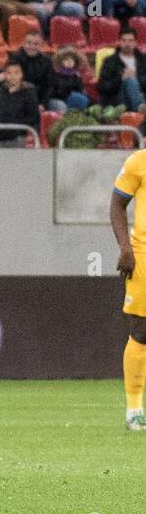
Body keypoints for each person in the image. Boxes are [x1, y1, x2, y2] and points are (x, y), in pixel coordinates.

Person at [109, 145, 146, 429]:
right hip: (143, 255)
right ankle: (134, 410)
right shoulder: (138, 161)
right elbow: (117, 205)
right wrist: (125, 248)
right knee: (142, 330)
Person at [0, 58, 40, 145]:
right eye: (9, 73)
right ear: (5, 75)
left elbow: (34, 117)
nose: (13, 76)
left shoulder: (29, 93)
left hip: (18, 138)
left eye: (16, 73)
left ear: (21, 74)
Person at [97, 27, 146, 111]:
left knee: (132, 81)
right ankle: (141, 109)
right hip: (119, 100)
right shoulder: (110, 61)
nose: (127, 44)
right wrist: (121, 79)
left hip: (141, 95)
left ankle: (141, 108)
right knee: (130, 81)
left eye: (130, 41)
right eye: (124, 40)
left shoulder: (143, 60)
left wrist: (136, 77)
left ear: (135, 43)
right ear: (119, 42)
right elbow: (102, 86)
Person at [9, 29, 58, 111]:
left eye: (36, 44)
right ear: (24, 43)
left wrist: (43, 104)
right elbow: (13, 83)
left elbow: (49, 85)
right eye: (29, 43)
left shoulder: (47, 61)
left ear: (41, 45)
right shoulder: (14, 59)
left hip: (41, 100)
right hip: (20, 99)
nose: (32, 47)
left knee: (60, 107)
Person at [50, 45, 92, 110]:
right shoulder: (56, 75)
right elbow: (55, 92)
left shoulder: (76, 75)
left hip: (74, 99)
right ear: (60, 62)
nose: (69, 62)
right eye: (66, 60)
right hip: (59, 99)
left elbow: (80, 90)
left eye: (72, 59)